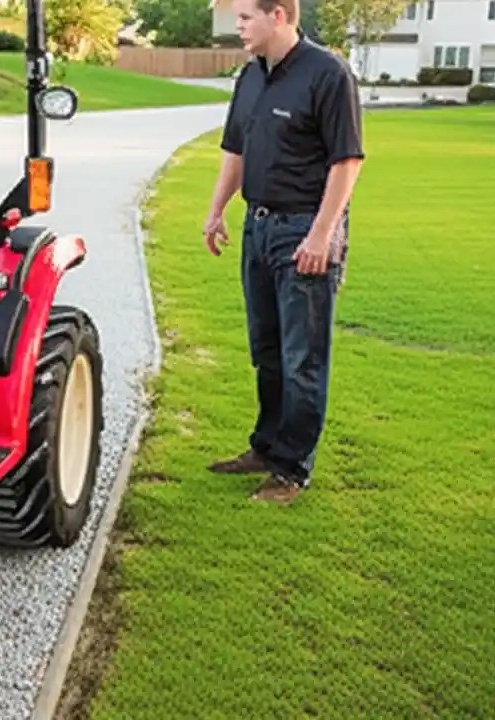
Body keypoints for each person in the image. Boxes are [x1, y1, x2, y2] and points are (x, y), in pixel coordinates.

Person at [201, 0, 364, 504]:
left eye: (246, 17)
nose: (238, 27)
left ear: (279, 15)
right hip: (258, 227)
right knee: (267, 351)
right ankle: (267, 446)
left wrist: (320, 235)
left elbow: (347, 162)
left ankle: (292, 468)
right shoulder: (250, 77)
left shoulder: (328, 74)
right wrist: (216, 211)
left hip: (304, 230)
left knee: (303, 359)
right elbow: (236, 150)